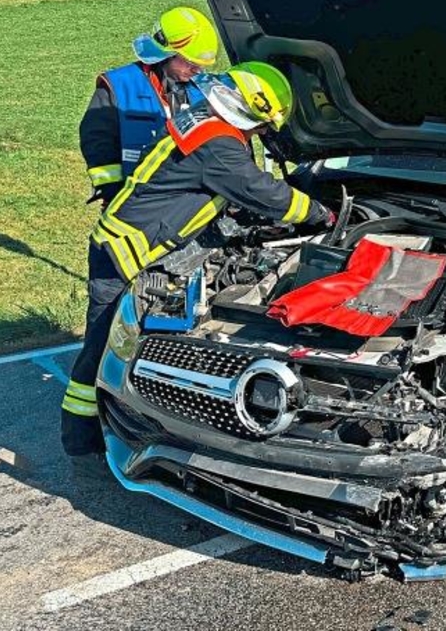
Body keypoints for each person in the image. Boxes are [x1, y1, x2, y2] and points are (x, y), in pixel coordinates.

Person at [62, 62, 336, 459]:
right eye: (263, 126)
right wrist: (319, 213)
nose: (263, 134)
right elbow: (264, 192)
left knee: (121, 342)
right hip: (126, 251)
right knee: (102, 347)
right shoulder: (218, 145)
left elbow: (215, 188)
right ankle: (81, 443)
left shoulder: (205, 120)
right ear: (247, 110)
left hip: (131, 239)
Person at [79, 7, 219, 206]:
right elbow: (97, 141)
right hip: (134, 200)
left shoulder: (204, 91)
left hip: (188, 202)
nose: (197, 70)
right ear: (167, 54)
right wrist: (113, 192)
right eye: (189, 62)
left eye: (201, 65)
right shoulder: (119, 86)